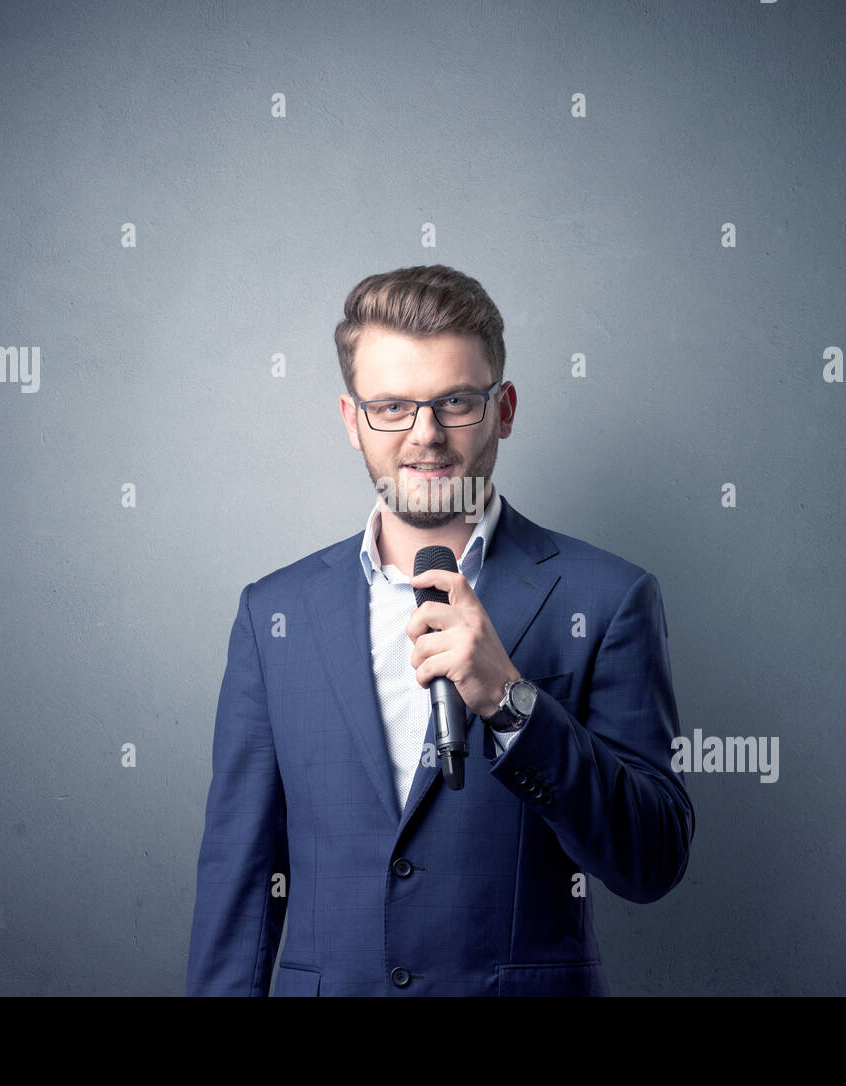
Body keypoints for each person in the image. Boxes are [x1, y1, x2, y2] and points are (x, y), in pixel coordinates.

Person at [186, 264, 694, 996]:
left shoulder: (610, 599)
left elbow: (653, 859)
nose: (425, 435)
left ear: (504, 408)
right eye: (391, 406)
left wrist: (513, 702)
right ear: (351, 421)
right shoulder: (275, 617)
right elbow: (237, 886)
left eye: (454, 401)